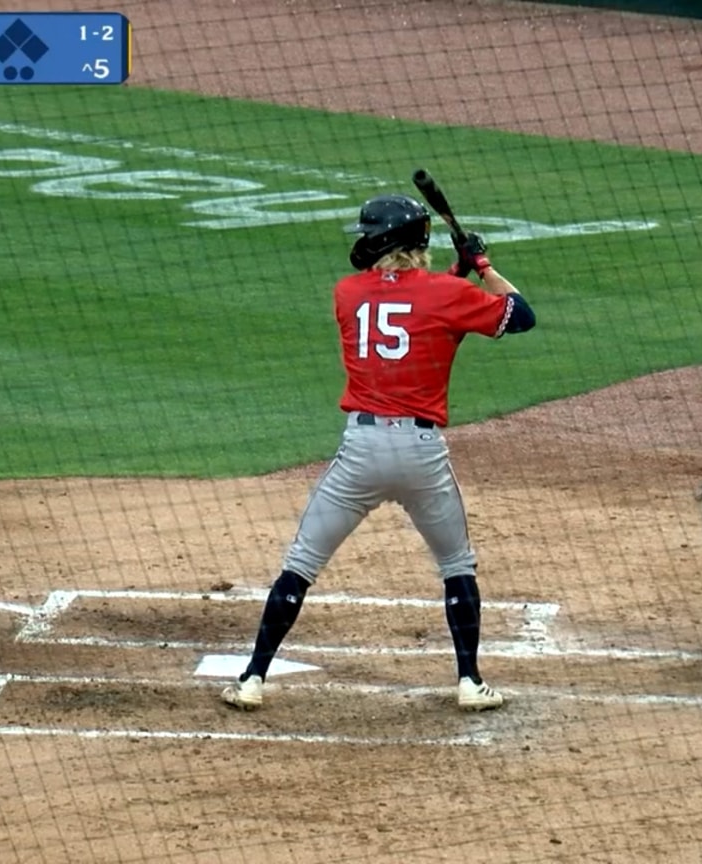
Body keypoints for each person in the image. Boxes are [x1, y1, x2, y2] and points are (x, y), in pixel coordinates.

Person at [221, 193, 536, 712]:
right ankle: (470, 681)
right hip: (421, 453)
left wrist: (457, 271)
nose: (362, 242)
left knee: (301, 563)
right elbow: (519, 315)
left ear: (384, 240)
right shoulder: (445, 295)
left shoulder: (346, 293)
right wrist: (480, 264)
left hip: (361, 452)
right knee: (456, 563)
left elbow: (410, 306)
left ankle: (253, 677)